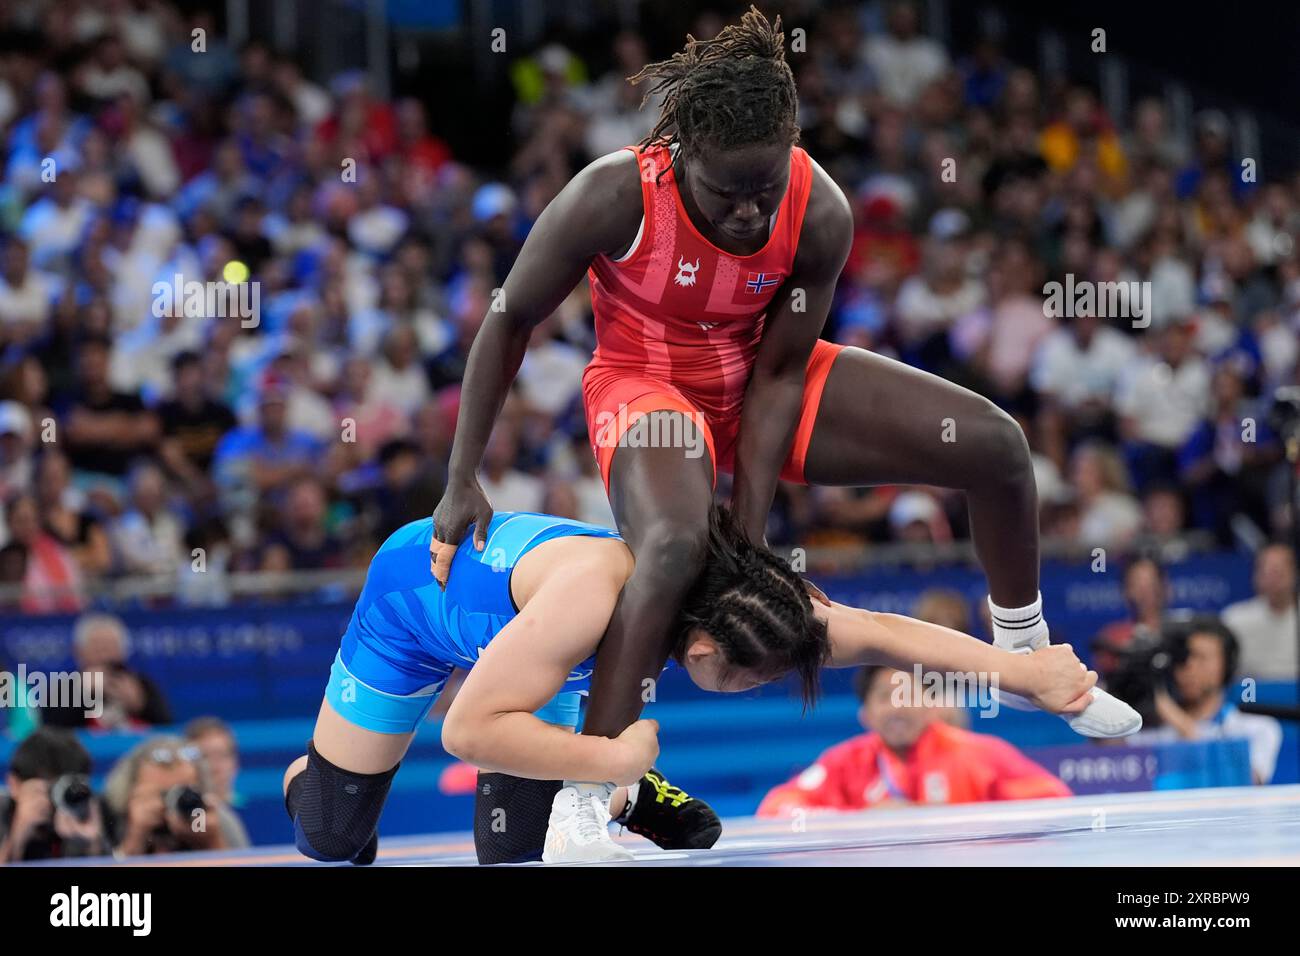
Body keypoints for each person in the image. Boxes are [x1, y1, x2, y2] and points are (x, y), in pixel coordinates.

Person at [428, 6, 1136, 853]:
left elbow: (777, 374)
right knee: (671, 548)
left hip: (761, 375)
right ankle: (591, 791)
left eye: (766, 188)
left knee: (994, 445)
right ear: (681, 150)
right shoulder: (613, 194)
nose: (749, 214)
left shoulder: (820, 211)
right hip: (648, 386)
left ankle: (1024, 648)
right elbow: (509, 320)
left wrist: (754, 534)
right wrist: (462, 475)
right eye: (729, 194)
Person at [284, 507, 1118, 866]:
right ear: (706, 643)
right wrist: (608, 752)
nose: (749, 690)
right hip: (409, 603)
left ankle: (622, 780)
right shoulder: (592, 600)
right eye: (747, 680)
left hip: (528, 658)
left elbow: (883, 634)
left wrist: (1024, 671)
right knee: (329, 836)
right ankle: (317, 782)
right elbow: (467, 730)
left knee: (514, 855)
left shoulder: (745, 603)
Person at [757, 664, 1071, 817]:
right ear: (865, 714)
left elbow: (1054, 799)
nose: (897, 707)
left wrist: (962, 825)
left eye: (907, 694)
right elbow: (776, 807)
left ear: (933, 705)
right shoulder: (843, 761)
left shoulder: (982, 754)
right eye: (883, 697)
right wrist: (857, 821)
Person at [1133, 616, 1282, 785]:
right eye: (1183, 658)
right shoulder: (1148, 729)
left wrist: (1182, 724)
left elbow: (1244, 781)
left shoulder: (1257, 729)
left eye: (1201, 658)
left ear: (1227, 665)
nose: (1189, 668)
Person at [0, 728, 108, 862]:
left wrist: (94, 847)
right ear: (14, 784)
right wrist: (17, 839)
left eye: (65, 788)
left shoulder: (89, 807)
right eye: (50, 789)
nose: (56, 799)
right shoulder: (3, 813)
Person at [1221, 544, 1299, 681]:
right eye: (1266, 572)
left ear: (1294, 574)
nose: (1272, 580)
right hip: (1250, 692)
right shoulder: (1234, 618)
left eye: (1278, 572)